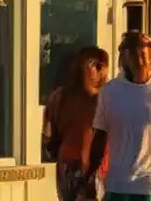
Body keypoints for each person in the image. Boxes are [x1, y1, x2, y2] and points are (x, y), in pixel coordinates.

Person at [81, 31, 151, 201]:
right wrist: (89, 177)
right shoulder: (110, 92)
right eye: (136, 48)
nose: (142, 53)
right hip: (118, 186)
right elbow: (100, 137)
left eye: (147, 46)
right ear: (125, 56)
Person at [44, 46, 110, 200]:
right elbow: (50, 136)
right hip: (72, 165)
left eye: (103, 67)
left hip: (98, 168)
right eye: (96, 65)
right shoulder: (61, 97)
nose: (101, 72)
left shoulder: (106, 99)